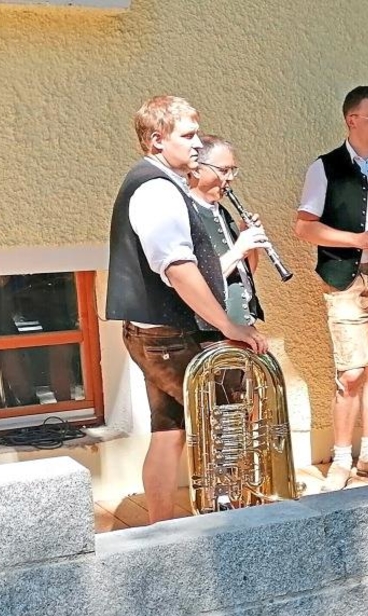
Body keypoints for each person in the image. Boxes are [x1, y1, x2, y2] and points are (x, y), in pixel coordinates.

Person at [105, 96, 267, 523]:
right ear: (158, 140)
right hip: (171, 334)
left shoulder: (159, 183)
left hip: (156, 331)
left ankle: (163, 531)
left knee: (169, 432)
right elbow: (178, 269)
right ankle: (226, 523)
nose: (197, 144)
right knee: (224, 426)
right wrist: (230, 326)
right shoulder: (157, 189)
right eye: (188, 135)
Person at [294, 85, 368, 491]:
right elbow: (304, 227)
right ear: (352, 121)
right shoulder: (325, 167)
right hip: (347, 280)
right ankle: (342, 458)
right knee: (350, 374)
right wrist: (359, 240)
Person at [187, 134, 269, 334]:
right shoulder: (187, 213)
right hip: (209, 332)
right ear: (197, 169)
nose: (230, 178)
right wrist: (239, 249)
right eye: (224, 170)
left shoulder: (222, 212)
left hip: (241, 327)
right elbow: (195, 281)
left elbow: (246, 272)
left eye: (233, 170)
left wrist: (249, 244)